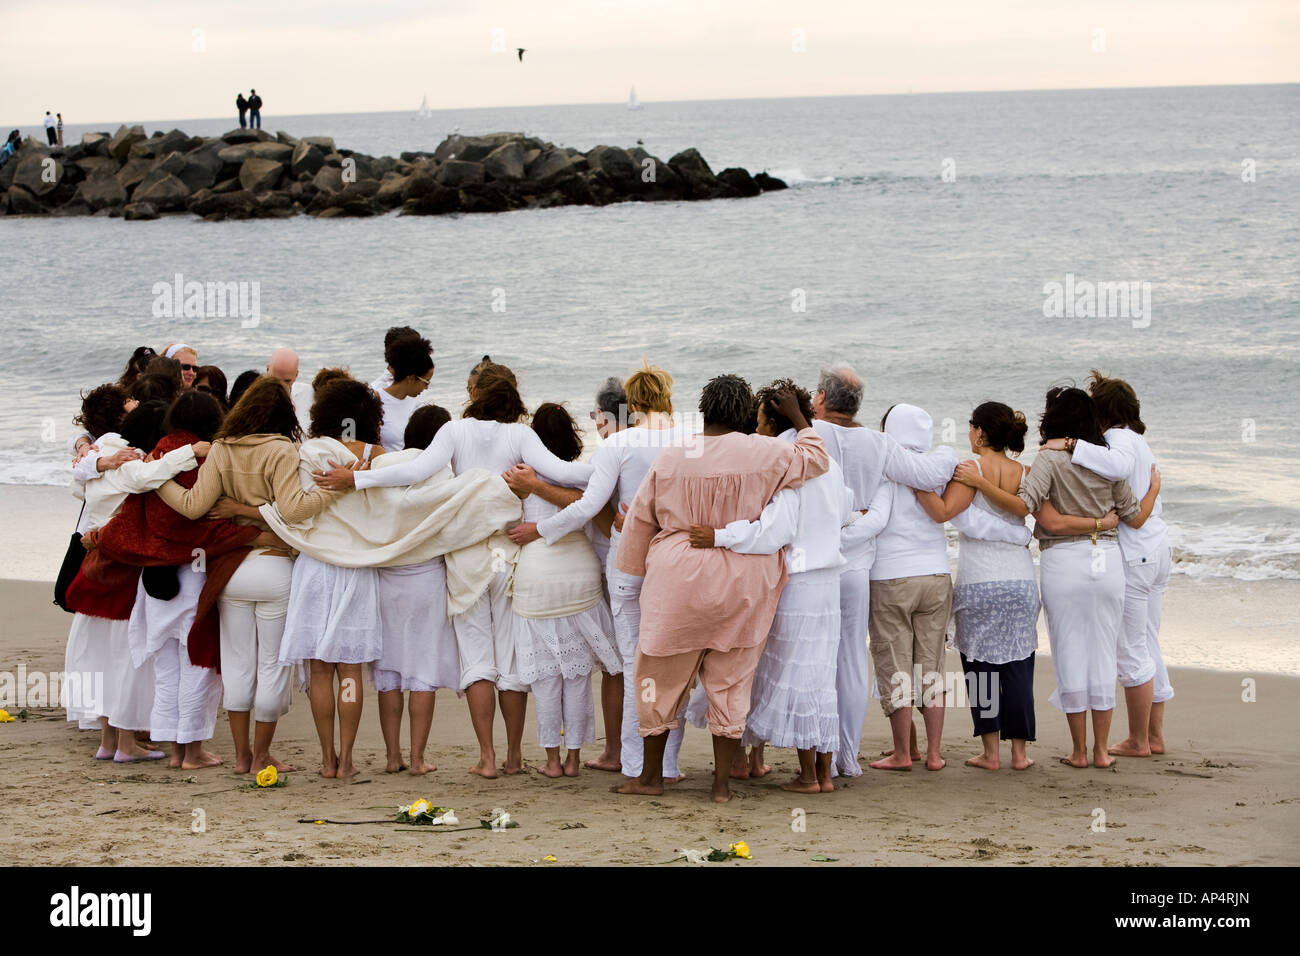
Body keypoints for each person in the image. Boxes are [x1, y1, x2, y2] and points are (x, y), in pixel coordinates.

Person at [314, 363, 593, 778]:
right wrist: (624, 465)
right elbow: (565, 473)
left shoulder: (453, 432)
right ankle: (515, 757)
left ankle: (486, 758)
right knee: (511, 663)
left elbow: (415, 471)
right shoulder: (520, 435)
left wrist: (357, 480)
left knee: (478, 659)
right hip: (507, 553)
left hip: (465, 558)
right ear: (513, 400)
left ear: (475, 398)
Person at [614, 375, 829, 804]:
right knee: (731, 680)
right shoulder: (767, 452)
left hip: (677, 579)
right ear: (745, 414)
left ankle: (651, 776)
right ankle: (721, 785)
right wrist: (799, 417)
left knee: (657, 675)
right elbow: (817, 457)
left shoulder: (675, 454)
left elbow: (641, 519)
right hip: (744, 580)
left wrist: (631, 575)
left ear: (704, 411)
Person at [954, 387, 1159, 768]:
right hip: (1107, 560)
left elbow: (1027, 507)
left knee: (1069, 653)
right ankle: (1100, 752)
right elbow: (1134, 515)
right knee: (1103, 654)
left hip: (1062, 562)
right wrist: (1153, 492)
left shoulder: (1047, 460)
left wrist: (983, 485)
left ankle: (1079, 752)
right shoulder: (1109, 463)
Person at [508, 363, 694, 781]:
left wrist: (541, 527)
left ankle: (634, 765)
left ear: (633, 405)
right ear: (667, 398)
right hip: (676, 562)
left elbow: (588, 506)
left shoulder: (619, 445)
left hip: (629, 564)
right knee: (673, 665)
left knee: (634, 663)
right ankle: (667, 765)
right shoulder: (689, 441)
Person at [152, 376, 340, 774]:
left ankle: (239, 758)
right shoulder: (283, 450)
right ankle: (261, 756)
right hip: (274, 567)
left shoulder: (221, 448)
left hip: (232, 571)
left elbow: (191, 506)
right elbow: (294, 510)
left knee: (237, 665)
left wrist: (157, 480)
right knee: (272, 667)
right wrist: (337, 490)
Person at [689, 380, 857, 793]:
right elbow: (847, 510)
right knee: (818, 675)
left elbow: (772, 531)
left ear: (772, 421)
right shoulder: (828, 463)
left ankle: (804, 775)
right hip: (828, 582)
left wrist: (719, 536)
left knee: (791, 673)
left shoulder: (786, 460)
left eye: (761, 421)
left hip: (797, 582)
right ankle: (820, 775)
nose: (756, 429)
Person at [809, 364, 962, 776]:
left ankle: (877, 752)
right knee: (922, 666)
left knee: (875, 664)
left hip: (862, 572)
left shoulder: (808, 436)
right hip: (911, 574)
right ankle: (919, 753)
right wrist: (949, 452)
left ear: (822, 398)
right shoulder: (889, 452)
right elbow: (932, 478)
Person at [1039, 371, 1173, 757]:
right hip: (1156, 550)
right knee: (1146, 642)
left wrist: (1068, 443)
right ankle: (1154, 735)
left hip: (1134, 554)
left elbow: (1117, 478)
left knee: (1131, 650)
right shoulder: (1138, 441)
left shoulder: (1118, 440)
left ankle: (1139, 740)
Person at [914, 402, 1043, 771]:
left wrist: (915, 479)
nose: (969, 434)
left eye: (972, 428)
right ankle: (1019, 753)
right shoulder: (1025, 471)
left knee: (981, 669)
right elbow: (1026, 512)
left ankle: (990, 753)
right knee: (1019, 665)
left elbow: (944, 512)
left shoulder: (970, 470)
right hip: (1019, 581)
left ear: (981, 432)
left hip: (980, 580)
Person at [276, 378, 387, 778]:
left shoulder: (305, 452)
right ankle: (349, 760)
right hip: (355, 568)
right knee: (350, 670)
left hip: (315, 566)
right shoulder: (376, 456)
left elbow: (293, 507)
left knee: (320, 669)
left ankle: (326, 759)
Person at [506, 403, 620, 777]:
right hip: (580, 577)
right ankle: (573, 759)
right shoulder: (583, 476)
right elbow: (594, 509)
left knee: (545, 676)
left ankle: (552, 760)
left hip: (538, 578)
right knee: (577, 673)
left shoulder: (518, 477)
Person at [377, 333, 434, 451]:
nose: (426, 388)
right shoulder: (375, 401)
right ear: (411, 378)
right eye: (426, 382)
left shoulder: (419, 402)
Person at [266, 347, 312, 431]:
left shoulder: (310, 395)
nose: (281, 386)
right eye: (275, 380)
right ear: (267, 370)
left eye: (287, 381)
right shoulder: (251, 399)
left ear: (296, 375)